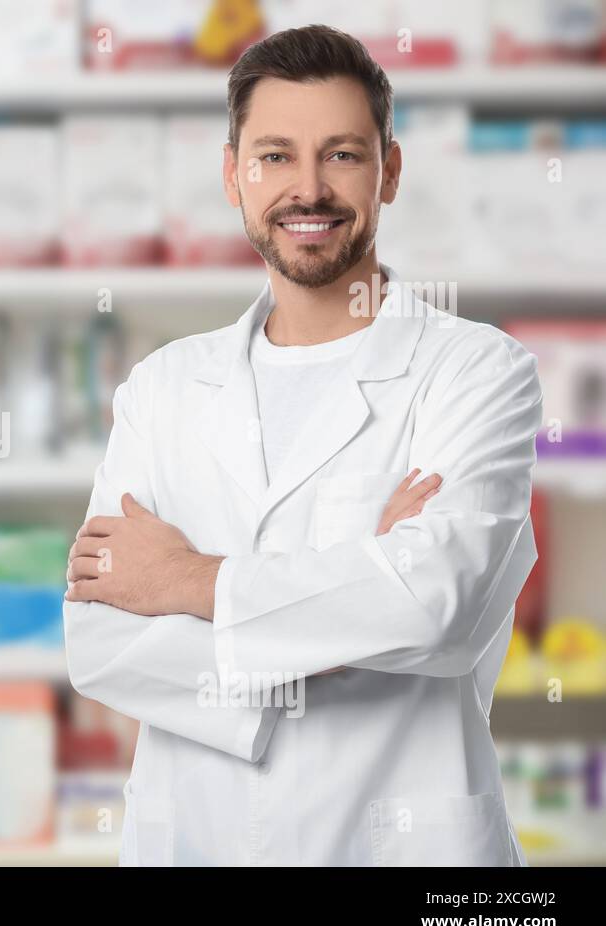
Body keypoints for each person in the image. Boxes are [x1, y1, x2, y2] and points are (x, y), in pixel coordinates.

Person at [63, 24, 541, 866]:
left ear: (389, 172)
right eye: (275, 156)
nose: (308, 189)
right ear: (232, 175)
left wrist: (184, 582)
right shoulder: (163, 389)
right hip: (195, 839)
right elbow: (97, 643)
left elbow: (440, 606)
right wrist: (356, 598)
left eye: (343, 155)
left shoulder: (477, 372)